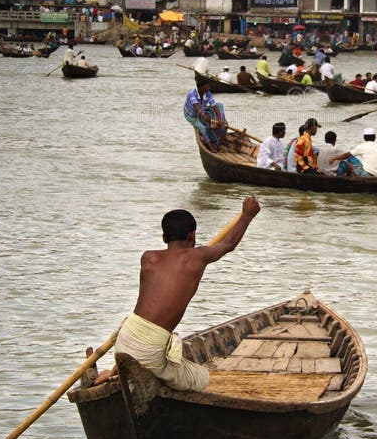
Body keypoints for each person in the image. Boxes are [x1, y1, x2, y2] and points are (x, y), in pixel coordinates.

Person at [95, 197, 262, 389]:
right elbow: (228, 244)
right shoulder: (198, 257)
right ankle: (128, 373)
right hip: (148, 352)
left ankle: (118, 371)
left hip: (125, 340)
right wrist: (247, 215)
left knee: (147, 349)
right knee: (201, 378)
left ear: (164, 238)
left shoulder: (148, 258)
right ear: (192, 236)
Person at [183, 80, 227, 151]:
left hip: (202, 110)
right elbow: (196, 106)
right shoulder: (192, 94)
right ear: (202, 87)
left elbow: (215, 107)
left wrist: (219, 120)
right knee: (203, 128)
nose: (209, 88)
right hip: (192, 115)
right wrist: (204, 115)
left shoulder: (208, 93)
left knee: (220, 105)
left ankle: (217, 127)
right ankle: (212, 148)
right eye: (207, 86)